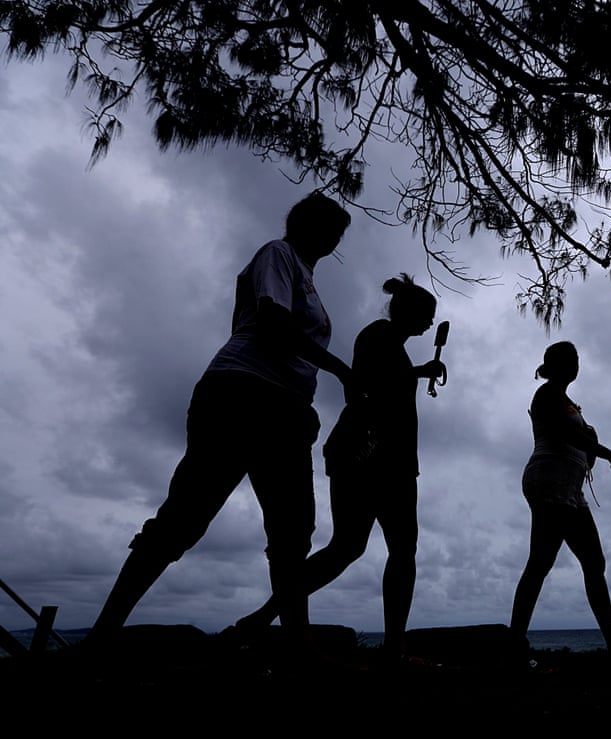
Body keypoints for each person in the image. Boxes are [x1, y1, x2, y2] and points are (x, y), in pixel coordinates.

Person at [90, 192, 355, 646]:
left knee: (293, 533)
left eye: (339, 233)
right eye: (331, 229)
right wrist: (340, 370)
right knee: (184, 520)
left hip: (287, 410)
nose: (335, 239)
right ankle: (100, 638)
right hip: (242, 393)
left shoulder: (307, 278)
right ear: (307, 226)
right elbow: (272, 319)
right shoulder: (279, 253)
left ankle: (297, 650)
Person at [237, 275, 445, 652]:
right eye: (427, 316)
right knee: (370, 548)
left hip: (379, 455)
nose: (430, 324)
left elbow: (381, 382)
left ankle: (266, 615)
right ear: (410, 313)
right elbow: (367, 383)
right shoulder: (378, 335)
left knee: (362, 547)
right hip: (370, 453)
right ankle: (392, 647)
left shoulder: (392, 344)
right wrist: (417, 373)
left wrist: (417, 372)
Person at [509, 341, 611, 653]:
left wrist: (595, 450)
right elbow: (569, 437)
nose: (576, 364)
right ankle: (514, 642)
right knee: (540, 562)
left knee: (594, 562)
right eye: (570, 359)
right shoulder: (546, 395)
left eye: (577, 359)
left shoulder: (569, 402)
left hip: (570, 488)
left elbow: (583, 451)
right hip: (548, 482)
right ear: (553, 365)